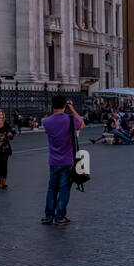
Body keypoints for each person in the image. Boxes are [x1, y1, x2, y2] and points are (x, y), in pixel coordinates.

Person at [41, 95, 83, 226]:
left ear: (52, 105)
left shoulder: (46, 121)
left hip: (53, 160)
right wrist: (72, 109)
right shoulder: (70, 119)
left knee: (52, 188)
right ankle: (60, 217)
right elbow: (82, 124)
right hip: (68, 160)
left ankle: (48, 216)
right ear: (65, 105)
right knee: (64, 189)